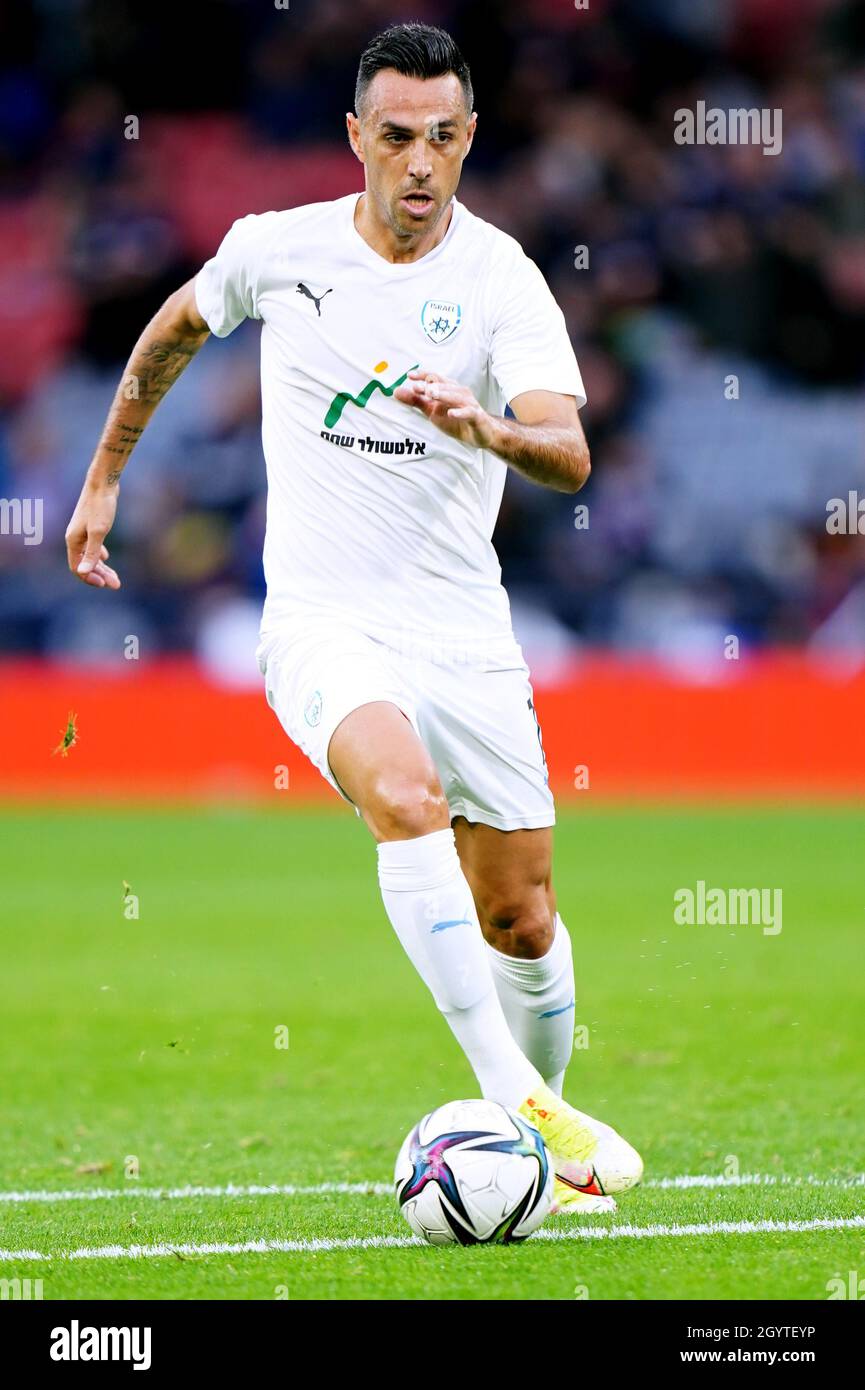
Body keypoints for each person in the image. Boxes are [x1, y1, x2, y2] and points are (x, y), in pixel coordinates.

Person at [65, 22, 642, 1214]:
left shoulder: (501, 279)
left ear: (469, 137)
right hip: (325, 618)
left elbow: (571, 454)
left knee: (521, 916)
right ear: (355, 138)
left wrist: (488, 430)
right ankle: (513, 1094)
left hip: (462, 629)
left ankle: (535, 1130)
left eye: (443, 137)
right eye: (396, 137)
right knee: (403, 795)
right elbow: (175, 326)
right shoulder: (279, 251)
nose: (420, 163)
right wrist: (106, 475)